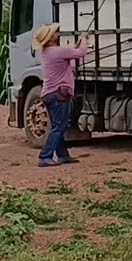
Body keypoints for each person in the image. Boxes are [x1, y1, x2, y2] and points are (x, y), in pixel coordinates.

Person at [32, 23, 90, 167]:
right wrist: (84, 39)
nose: (57, 34)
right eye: (54, 33)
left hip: (49, 94)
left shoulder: (47, 52)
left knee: (58, 126)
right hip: (58, 95)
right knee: (60, 127)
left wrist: (76, 46)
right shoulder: (57, 51)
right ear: (51, 38)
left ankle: (63, 155)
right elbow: (80, 53)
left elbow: (70, 53)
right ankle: (45, 156)